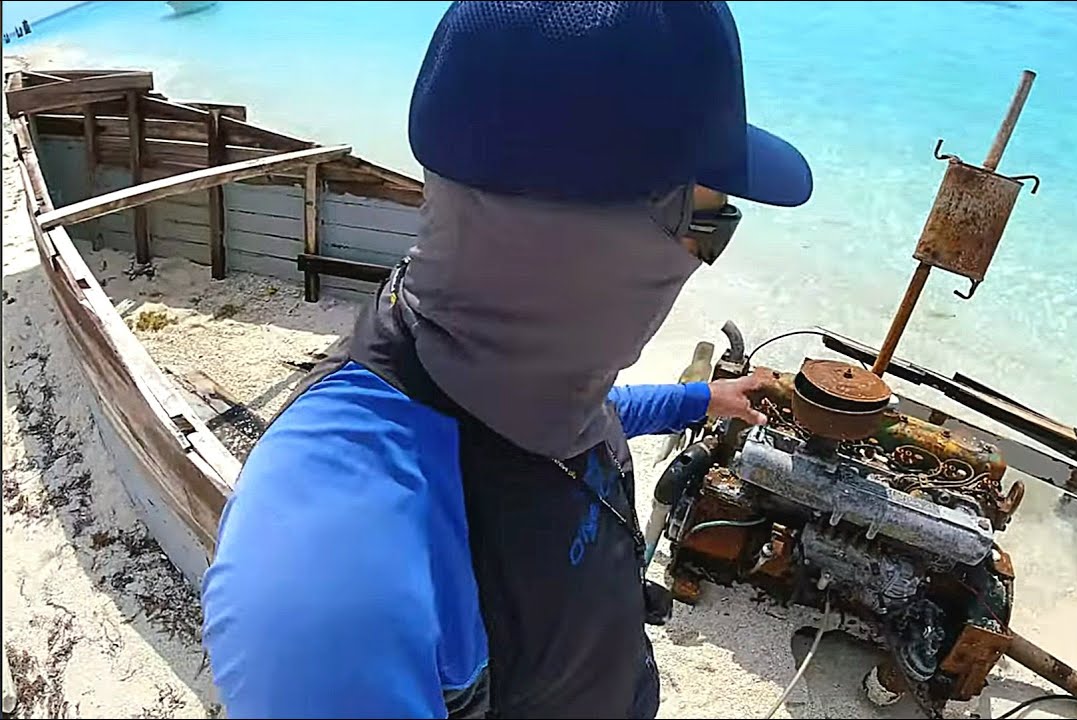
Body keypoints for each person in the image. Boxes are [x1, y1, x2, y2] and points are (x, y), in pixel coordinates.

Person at [199, 2, 813, 718]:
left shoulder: (502, 369)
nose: (700, 265)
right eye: (710, 227)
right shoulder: (332, 583)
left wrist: (700, 400)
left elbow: (569, 421)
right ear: (568, 239)